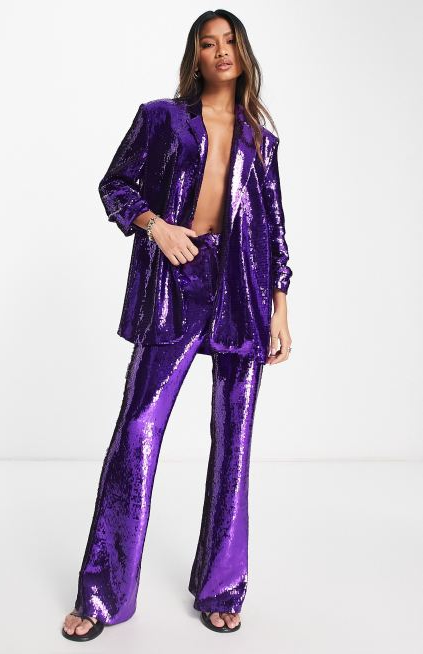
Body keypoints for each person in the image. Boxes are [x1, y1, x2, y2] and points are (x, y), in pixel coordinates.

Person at [62, 8, 293, 642]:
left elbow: (274, 226)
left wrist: (280, 306)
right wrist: (157, 227)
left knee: (235, 442)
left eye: (230, 41)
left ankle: (222, 587)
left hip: (244, 289)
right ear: (195, 56)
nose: (220, 51)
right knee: (139, 427)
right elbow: (116, 185)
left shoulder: (261, 140)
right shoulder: (162, 118)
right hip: (177, 277)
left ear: (243, 53)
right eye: (208, 43)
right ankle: (102, 594)